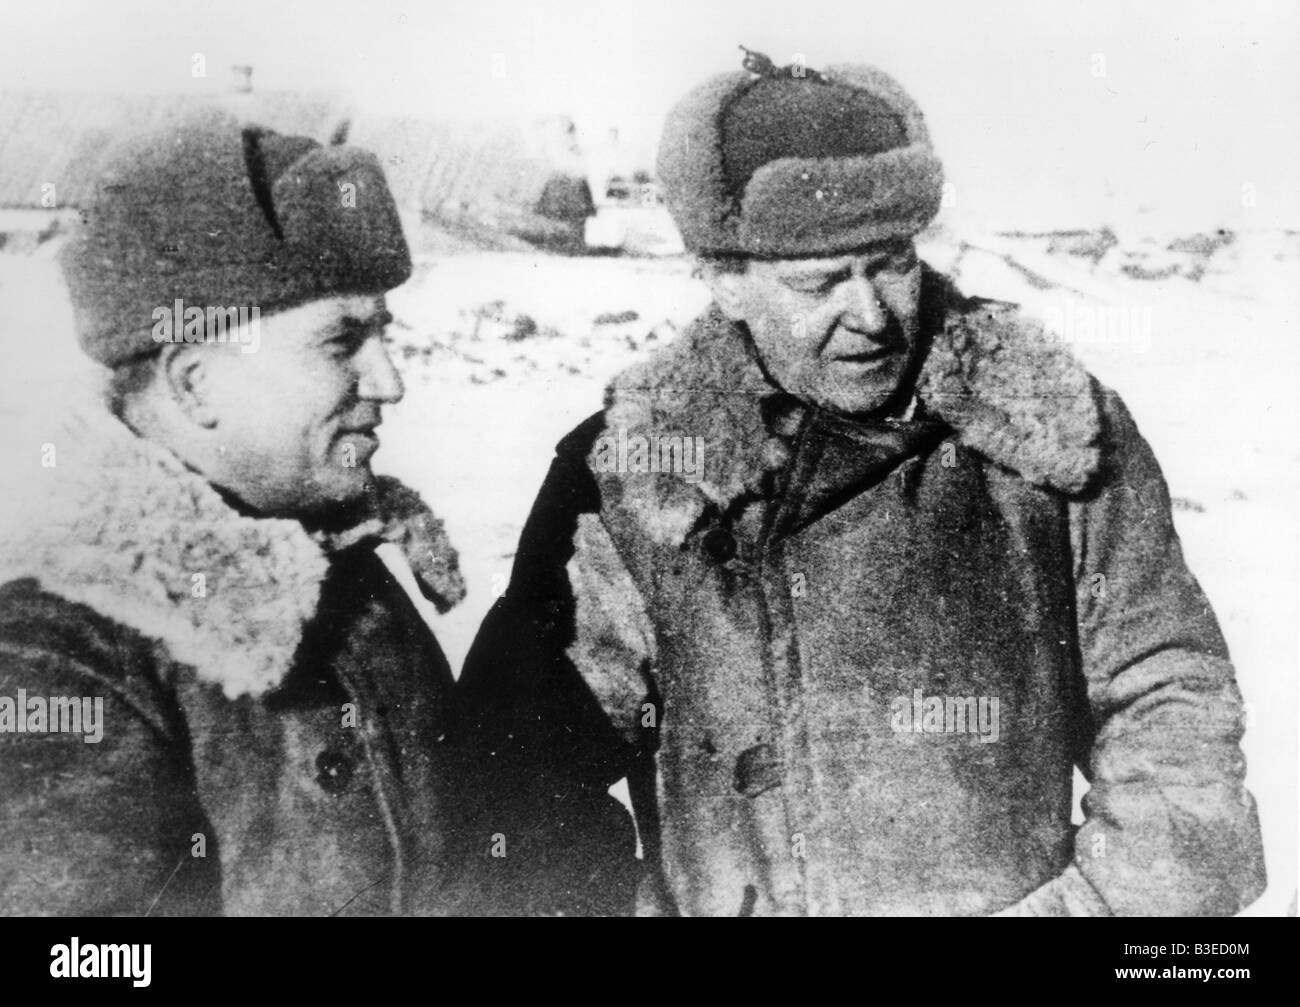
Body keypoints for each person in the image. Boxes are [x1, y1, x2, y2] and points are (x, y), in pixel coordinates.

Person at [460, 51, 1267, 916]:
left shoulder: (1045, 432)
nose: (874, 314)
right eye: (820, 283)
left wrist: (1092, 911)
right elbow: (509, 784)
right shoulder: (642, 474)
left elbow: (1169, 702)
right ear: (725, 280)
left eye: (890, 263)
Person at [0, 110, 471, 916]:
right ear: (196, 383)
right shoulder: (59, 651)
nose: (390, 380)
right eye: (340, 343)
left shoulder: (343, 565)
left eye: (384, 335)